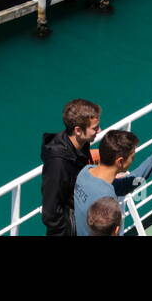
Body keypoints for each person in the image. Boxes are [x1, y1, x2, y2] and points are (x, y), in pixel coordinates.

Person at [73, 130, 152, 236]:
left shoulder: (86, 172)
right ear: (120, 161)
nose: (133, 160)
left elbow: (125, 185)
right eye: (132, 157)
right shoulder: (107, 200)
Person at [40, 98, 101, 236]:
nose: (99, 130)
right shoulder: (58, 163)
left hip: (80, 214)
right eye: (95, 128)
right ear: (78, 130)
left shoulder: (81, 144)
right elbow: (50, 213)